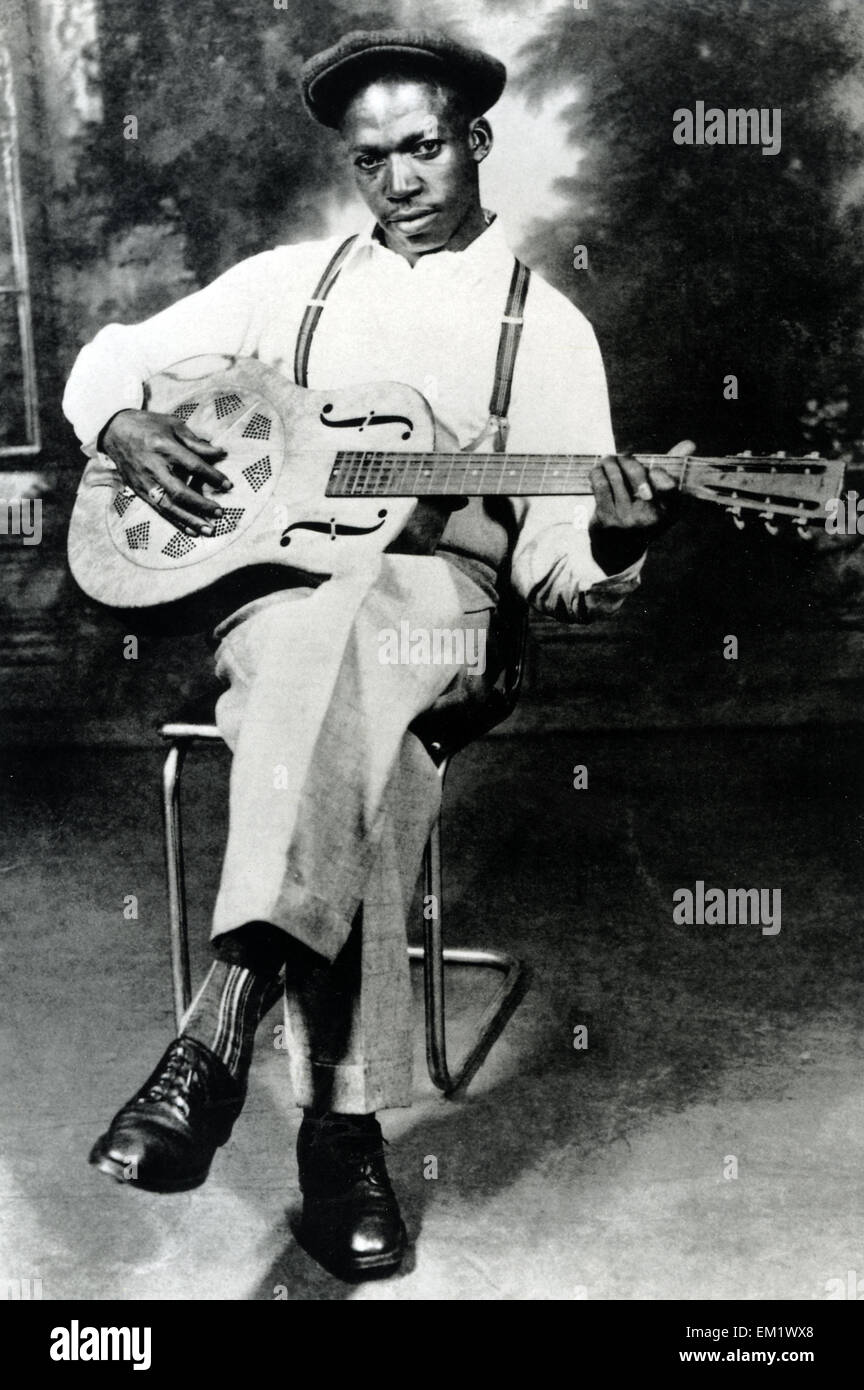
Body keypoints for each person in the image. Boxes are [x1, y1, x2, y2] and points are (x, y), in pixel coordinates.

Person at [63, 28, 681, 1282]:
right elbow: (112, 357)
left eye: (424, 148)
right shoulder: (288, 284)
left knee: (362, 650)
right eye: (372, 159)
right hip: (280, 605)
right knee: (359, 725)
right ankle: (341, 1139)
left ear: (475, 143)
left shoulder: (543, 331)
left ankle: (217, 1036)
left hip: (442, 615)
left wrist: (613, 544)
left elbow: (557, 572)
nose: (400, 180)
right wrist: (125, 423)